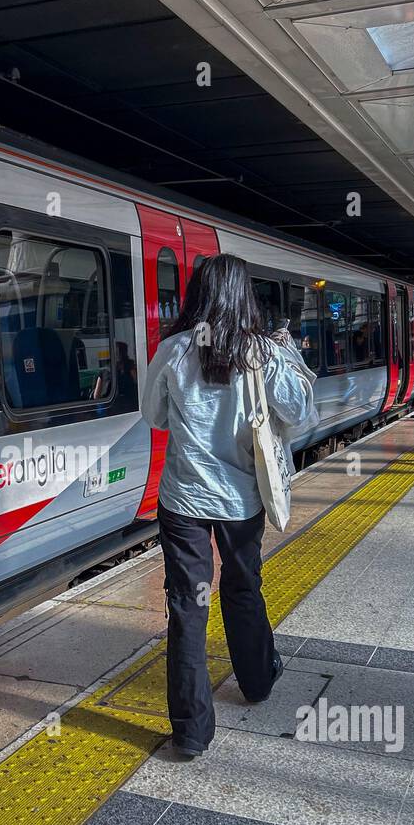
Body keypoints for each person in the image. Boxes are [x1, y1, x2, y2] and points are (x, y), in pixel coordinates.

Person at [142, 254, 316, 758]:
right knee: (243, 587)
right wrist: (290, 354)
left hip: (185, 501)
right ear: (246, 297)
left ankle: (192, 732)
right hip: (243, 500)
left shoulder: (174, 349)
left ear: (198, 293)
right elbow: (300, 413)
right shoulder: (265, 352)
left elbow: (156, 417)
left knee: (188, 607)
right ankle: (258, 681)